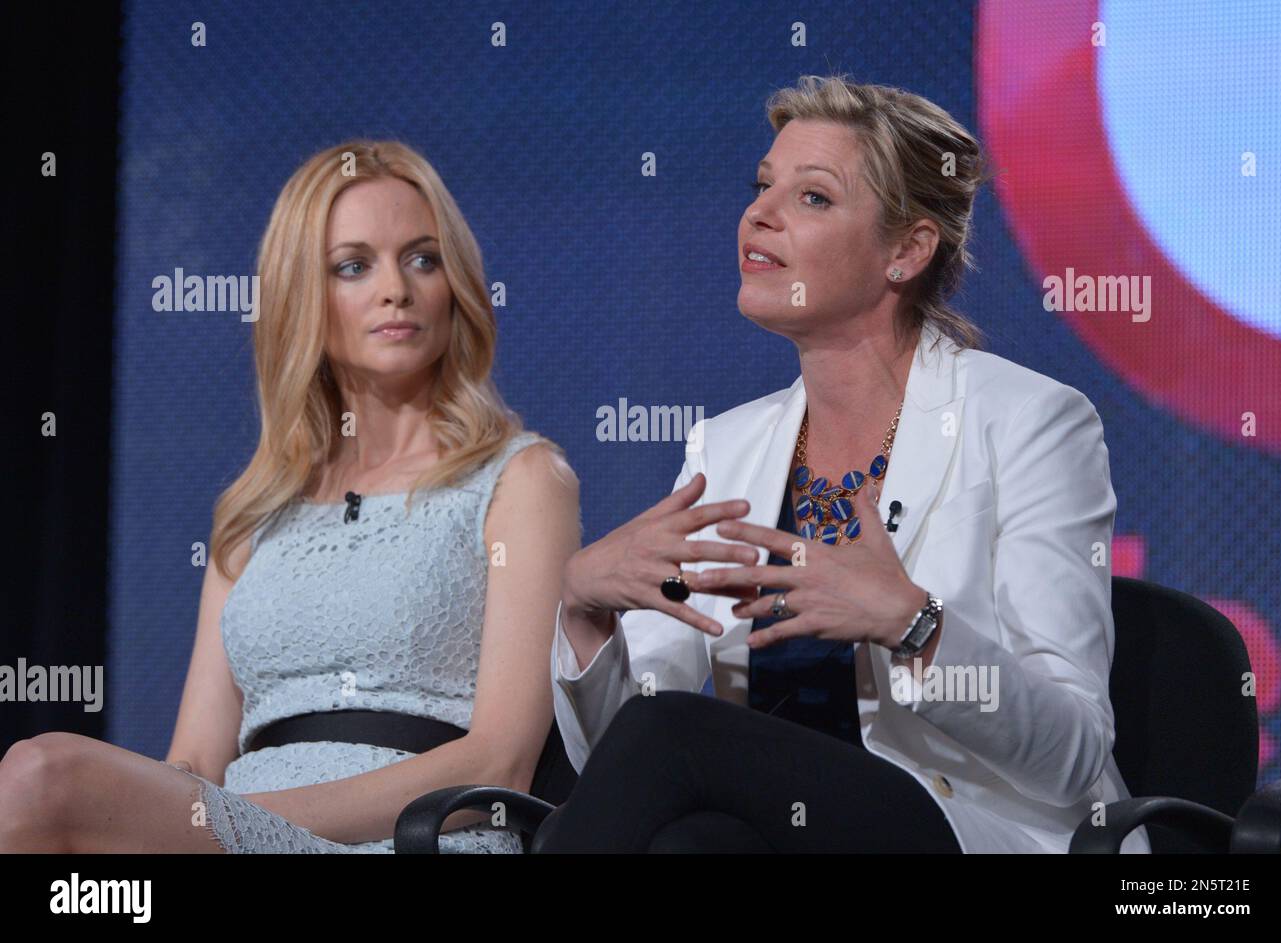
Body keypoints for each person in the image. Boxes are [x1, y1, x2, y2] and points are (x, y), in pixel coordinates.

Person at [545, 76, 1151, 854]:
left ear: (906, 250)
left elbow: (1074, 754)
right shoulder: (726, 449)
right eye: (763, 186)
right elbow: (624, 761)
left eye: (813, 198)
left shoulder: (1030, 422)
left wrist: (912, 623)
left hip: (965, 830)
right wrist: (585, 614)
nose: (758, 213)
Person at [0, 140, 580, 853]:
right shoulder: (251, 515)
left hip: (414, 835)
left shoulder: (519, 479)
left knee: (42, 773)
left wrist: (250, 818)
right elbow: (194, 764)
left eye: (423, 258)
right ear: (303, 294)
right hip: (230, 831)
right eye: (354, 266)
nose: (396, 287)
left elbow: (499, 763)